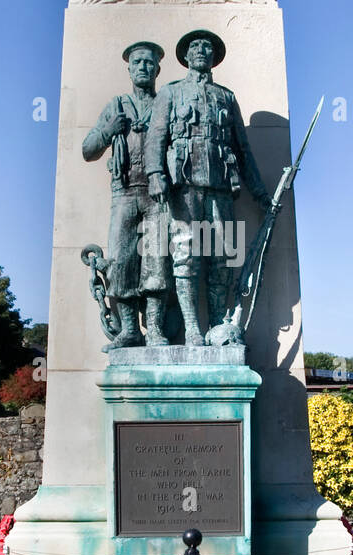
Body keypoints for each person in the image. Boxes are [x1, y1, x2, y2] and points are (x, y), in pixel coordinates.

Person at [144, 30, 271, 345]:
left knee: (222, 257)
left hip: (220, 188)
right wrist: (156, 173)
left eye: (207, 46)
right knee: (185, 255)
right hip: (183, 187)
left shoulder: (225, 97)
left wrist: (259, 192)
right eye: (195, 46)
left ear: (214, 57)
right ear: (186, 56)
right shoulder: (171, 94)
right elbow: (156, 138)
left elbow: (243, 149)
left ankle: (216, 326)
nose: (201, 50)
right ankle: (191, 328)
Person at [82, 42, 171, 348]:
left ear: (157, 69)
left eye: (149, 63)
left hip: (158, 196)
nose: (143, 67)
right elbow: (87, 150)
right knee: (121, 262)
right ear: (129, 69)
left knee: (157, 262)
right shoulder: (116, 105)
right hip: (123, 193)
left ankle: (156, 330)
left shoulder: (165, 103)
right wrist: (109, 129)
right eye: (137, 63)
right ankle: (130, 330)